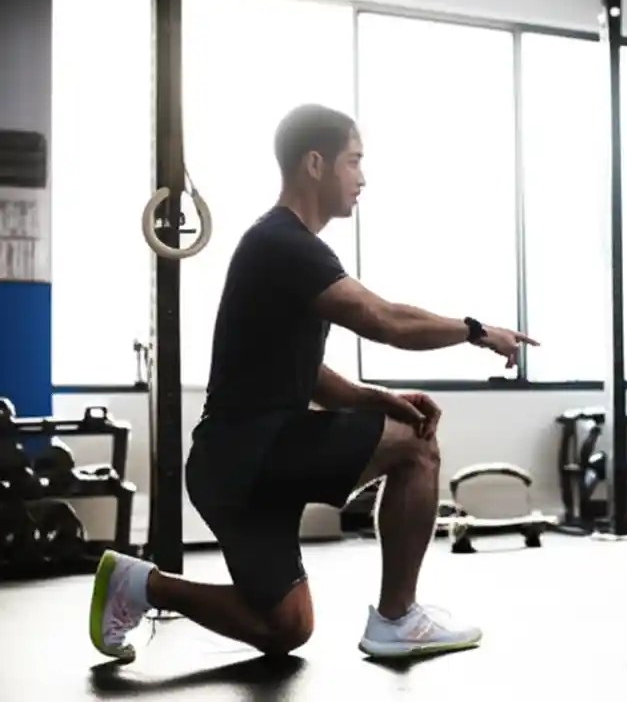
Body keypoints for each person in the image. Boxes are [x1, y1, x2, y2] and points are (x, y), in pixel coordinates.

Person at [88, 103, 538, 663]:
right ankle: (398, 618)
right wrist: (476, 330)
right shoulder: (284, 243)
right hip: (251, 451)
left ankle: (139, 585)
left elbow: (308, 375)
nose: (363, 177)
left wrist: (379, 399)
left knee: (286, 628)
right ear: (316, 164)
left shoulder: (279, 247)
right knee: (417, 446)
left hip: (234, 465)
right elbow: (386, 321)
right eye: (355, 161)